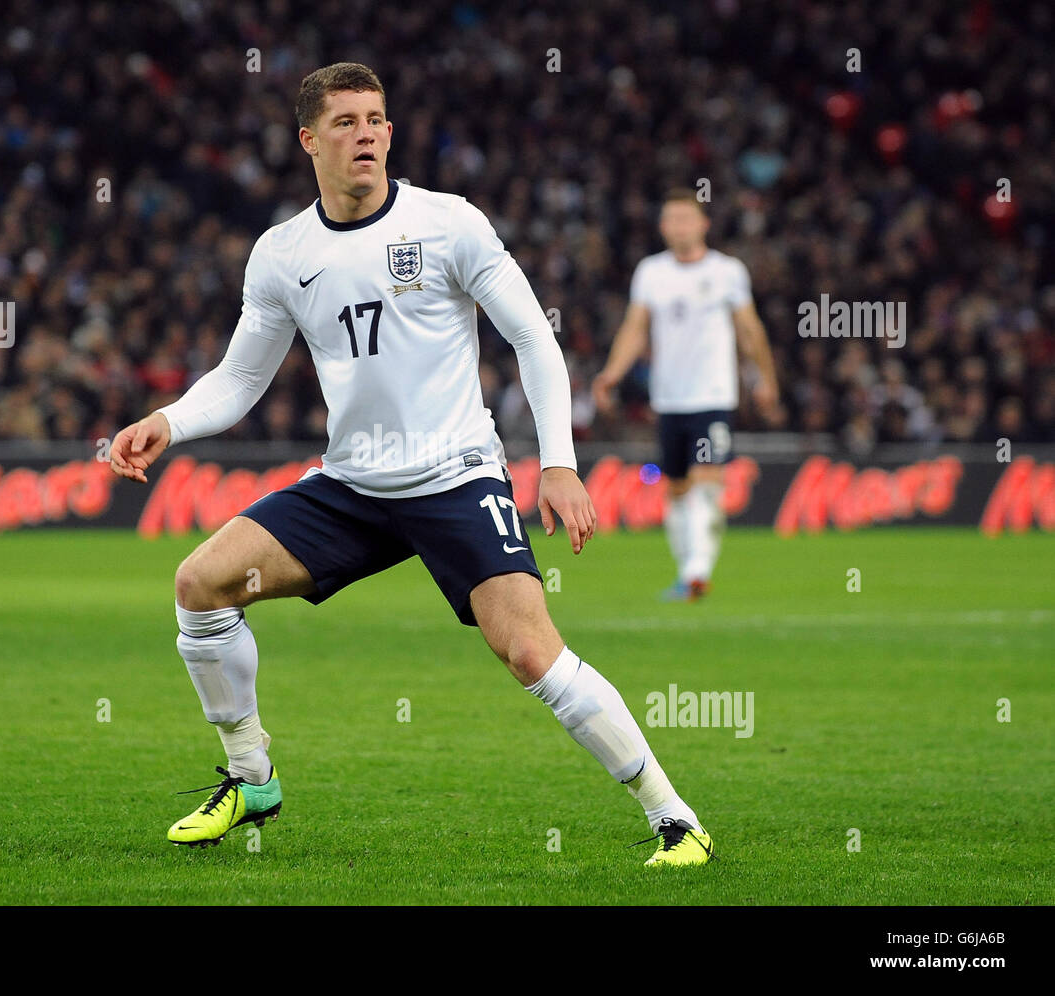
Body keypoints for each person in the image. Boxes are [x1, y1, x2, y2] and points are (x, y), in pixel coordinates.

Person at [110, 64, 713, 866]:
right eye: (347, 121)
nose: (366, 133)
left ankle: (674, 818)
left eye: (377, 120)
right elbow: (242, 378)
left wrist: (558, 462)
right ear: (308, 140)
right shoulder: (282, 253)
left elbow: (534, 337)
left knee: (531, 652)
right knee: (200, 585)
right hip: (353, 487)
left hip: (455, 475)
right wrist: (167, 421)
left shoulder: (449, 223)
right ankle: (252, 778)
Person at [592, 189, 778, 600]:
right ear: (662, 227)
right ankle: (687, 571)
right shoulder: (651, 272)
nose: (678, 226)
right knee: (676, 487)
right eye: (671, 219)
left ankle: (698, 572)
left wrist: (764, 378)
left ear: (703, 224)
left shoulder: (727, 271)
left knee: (707, 479)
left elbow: (750, 330)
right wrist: (611, 373)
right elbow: (634, 328)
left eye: (685, 218)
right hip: (669, 399)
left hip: (712, 397)